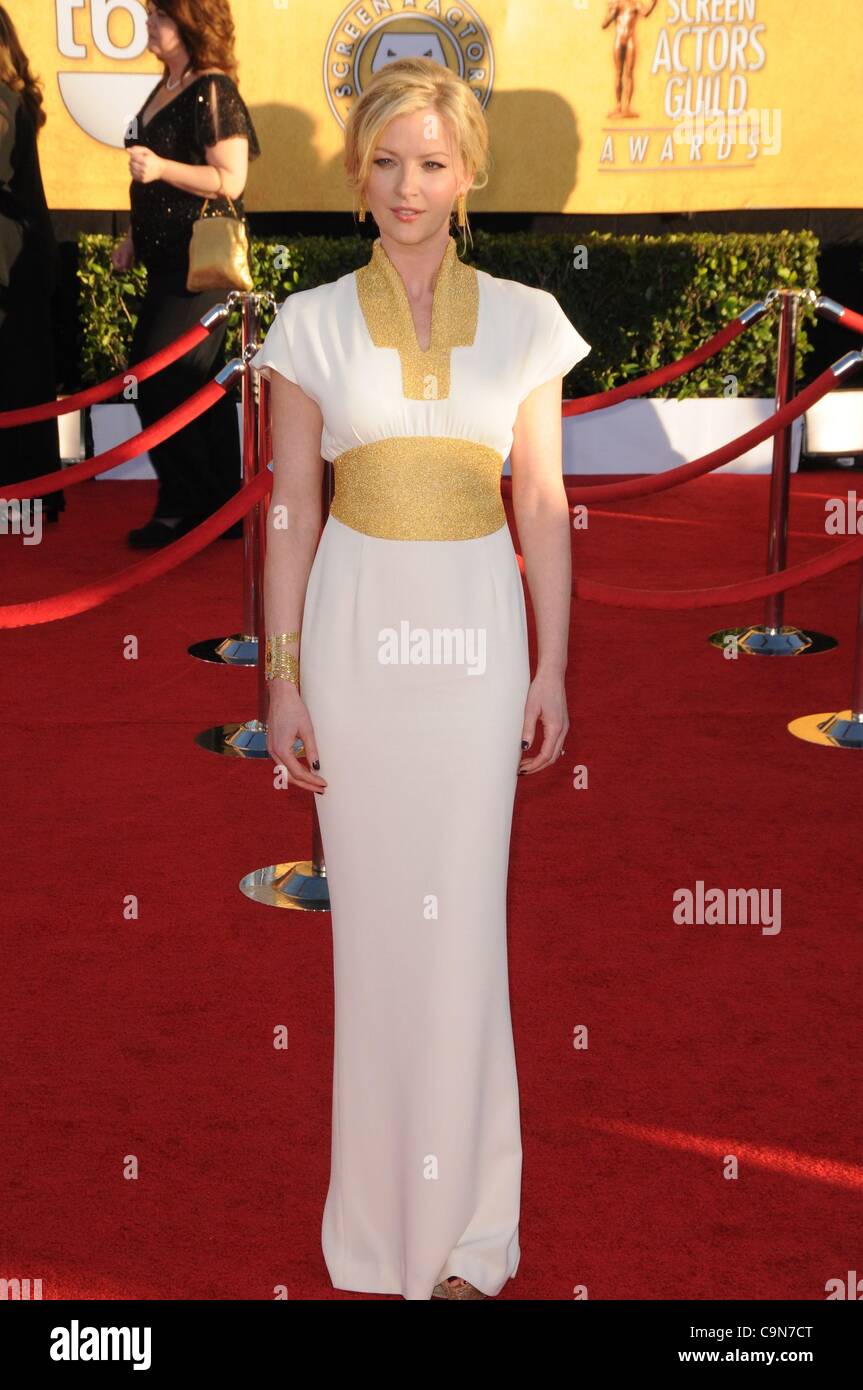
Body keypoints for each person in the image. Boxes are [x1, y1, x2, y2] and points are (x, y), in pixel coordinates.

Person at [252, 56, 591, 1301]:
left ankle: (471, 1238)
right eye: (386, 161)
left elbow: (543, 501)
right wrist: (281, 681)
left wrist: (551, 663)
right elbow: (290, 511)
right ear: (355, 172)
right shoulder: (306, 324)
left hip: (475, 644)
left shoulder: (523, 318)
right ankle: (381, 1230)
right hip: (351, 645)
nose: (408, 186)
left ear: (467, 178)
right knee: (377, 940)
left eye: (432, 164)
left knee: (464, 932)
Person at [113, 0, 260, 548]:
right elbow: (152, 181)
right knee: (199, 386)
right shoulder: (165, 86)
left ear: (189, 25)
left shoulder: (212, 87)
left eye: (160, 16)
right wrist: (133, 237)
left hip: (200, 268)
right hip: (166, 264)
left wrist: (160, 167)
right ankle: (222, 506)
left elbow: (232, 177)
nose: (148, 24)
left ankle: (184, 505)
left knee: (159, 379)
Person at [0, 5, 65, 522]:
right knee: (21, 375)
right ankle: (28, 496)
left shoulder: (2, 100)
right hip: (21, 253)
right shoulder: (13, 95)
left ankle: (23, 498)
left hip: (11, 257)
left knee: (16, 377)